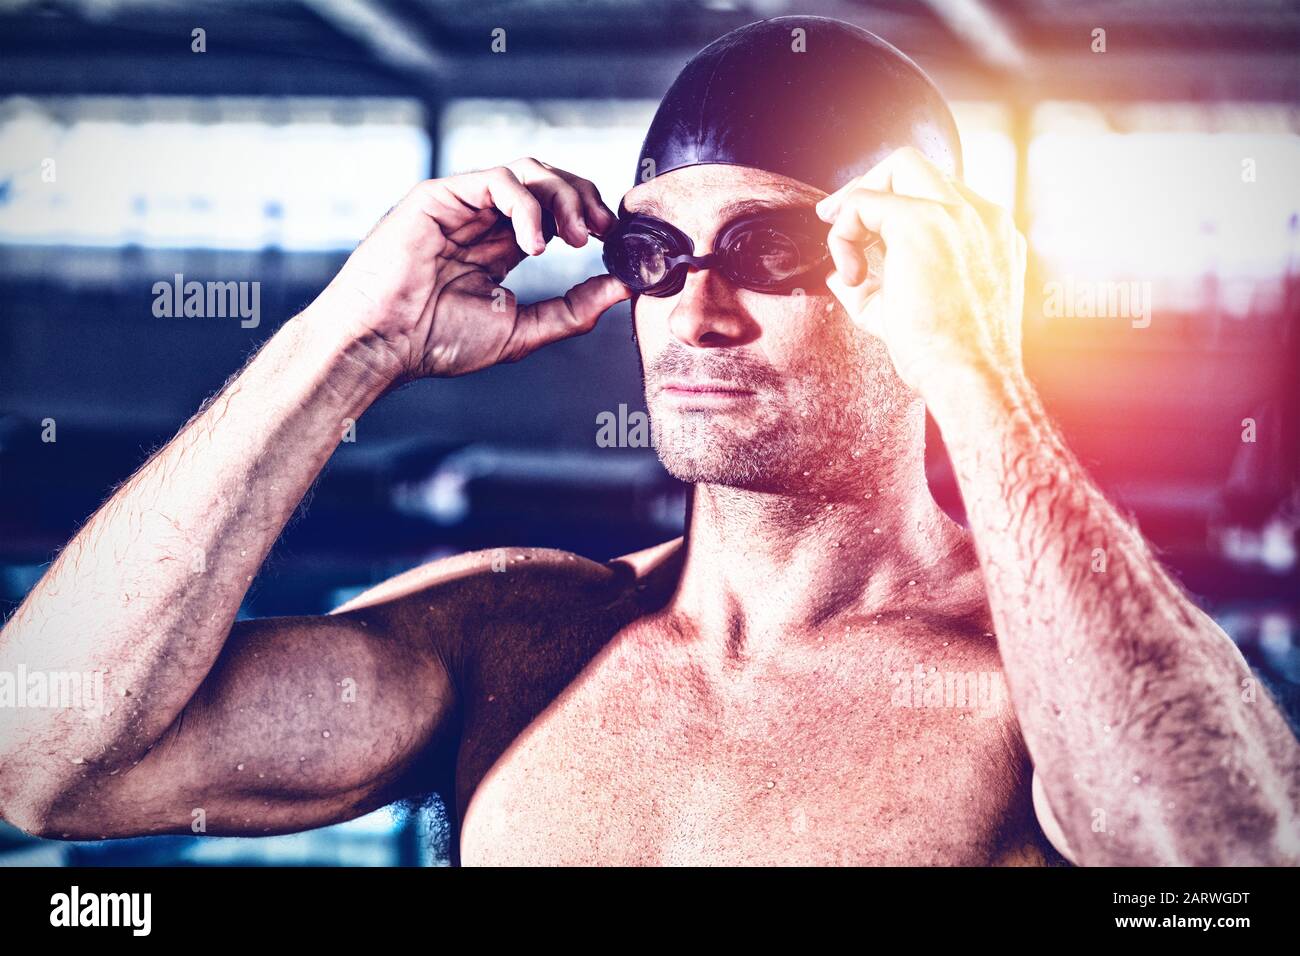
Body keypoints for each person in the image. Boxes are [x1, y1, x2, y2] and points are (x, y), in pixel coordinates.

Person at [0, 17, 1295, 866]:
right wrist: (353, 336)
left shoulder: (1035, 692)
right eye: (654, 257)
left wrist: (978, 365)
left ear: (916, 280)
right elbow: (41, 760)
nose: (697, 311)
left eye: (772, 255)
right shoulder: (514, 645)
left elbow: (1228, 861)